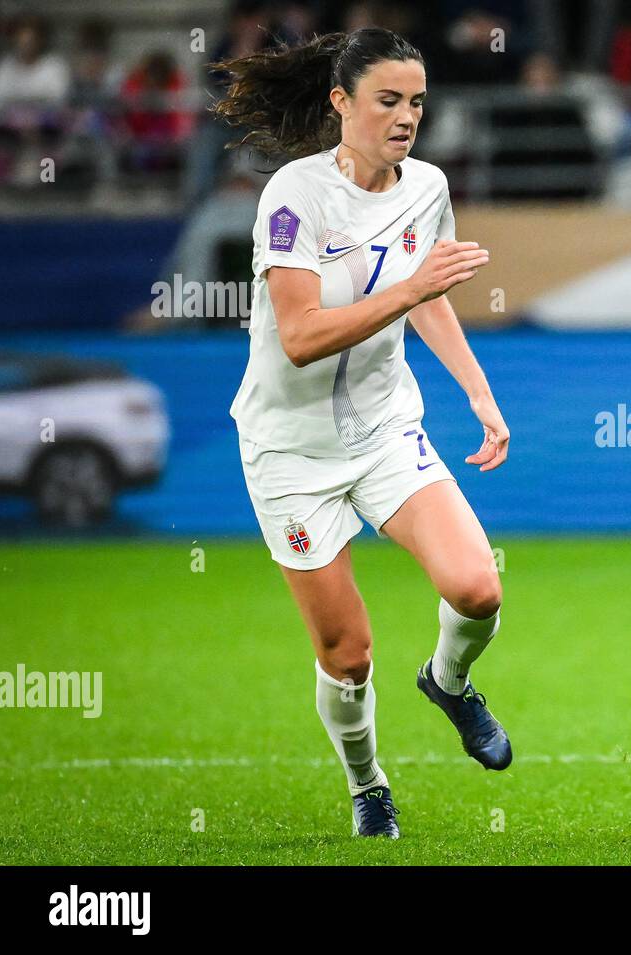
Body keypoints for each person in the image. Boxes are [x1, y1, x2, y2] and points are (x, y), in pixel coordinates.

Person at [212, 27, 512, 838]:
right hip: (290, 450)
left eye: (417, 101)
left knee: (478, 586)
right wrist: (413, 284)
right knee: (348, 654)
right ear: (341, 102)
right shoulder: (293, 198)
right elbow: (303, 334)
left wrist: (479, 394)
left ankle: (449, 681)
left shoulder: (429, 187)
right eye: (389, 100)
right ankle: (368, 782)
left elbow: (432, 291)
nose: (407, 116)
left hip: (384, 428)